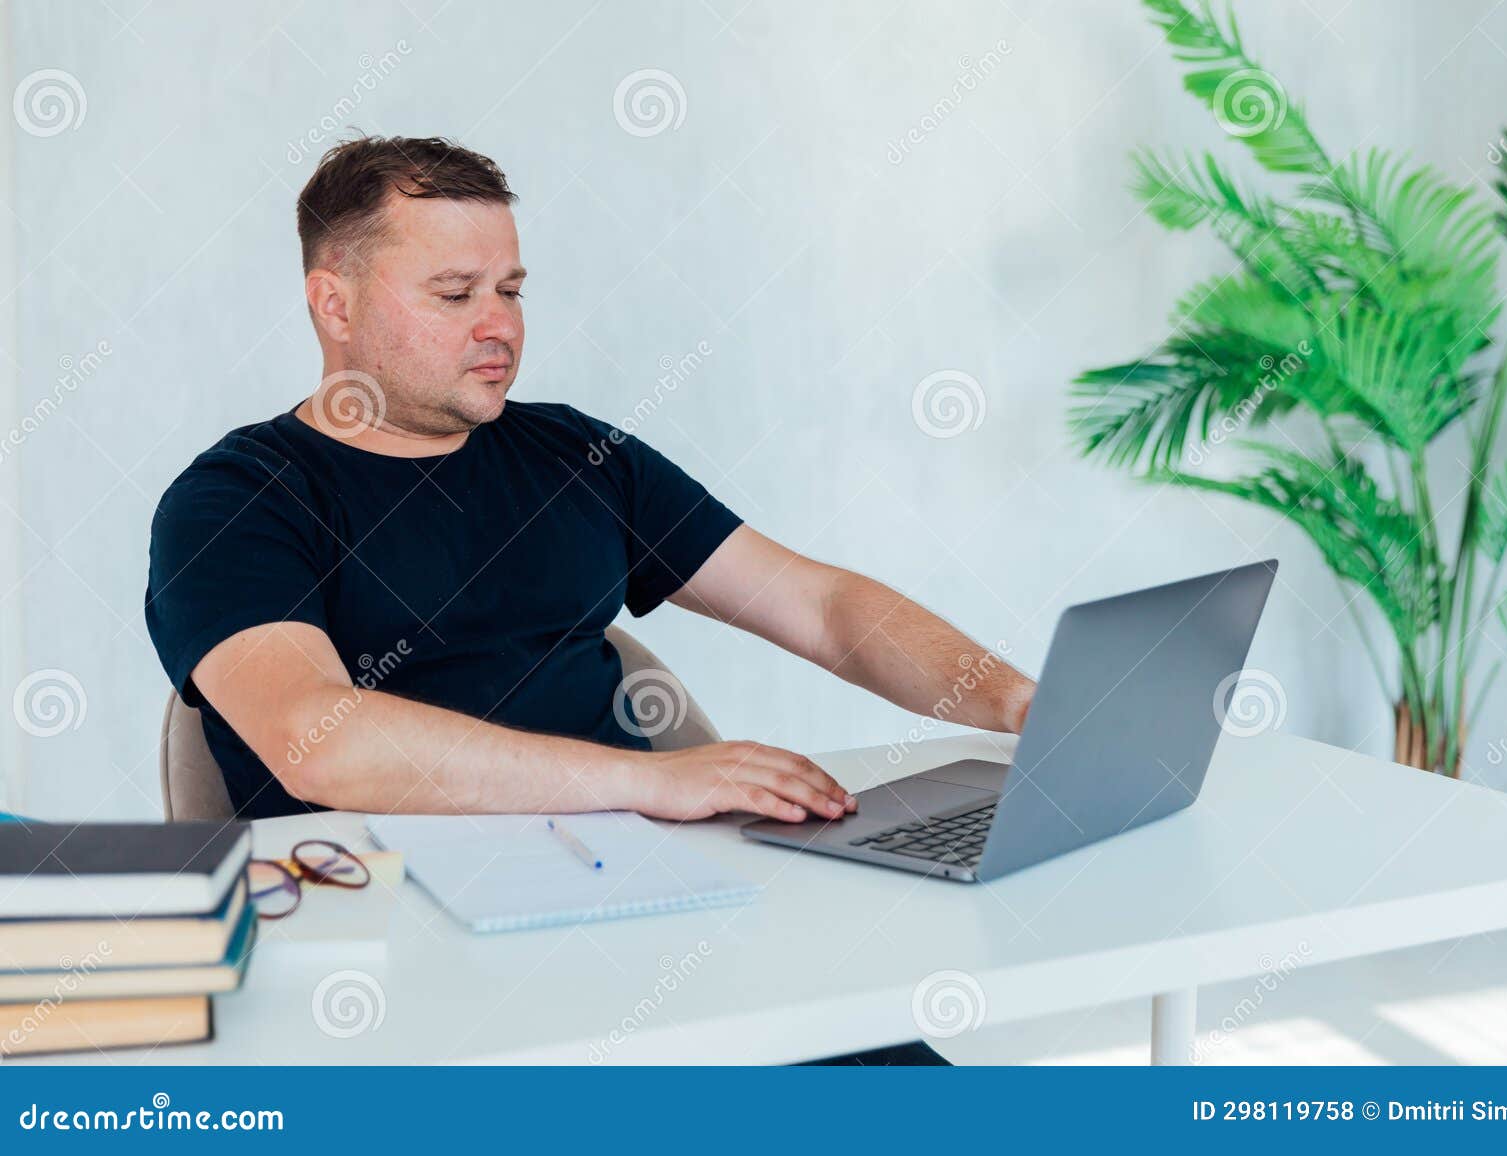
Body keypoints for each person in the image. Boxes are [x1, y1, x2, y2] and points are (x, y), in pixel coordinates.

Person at [145, 136, 1035, 1063]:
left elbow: (818, 605)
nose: (501, 326)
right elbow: (323, 744)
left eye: (512, 290)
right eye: (455, 294)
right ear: (334, 302)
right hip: (390, 977)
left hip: (637, 913)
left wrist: (1018, 702)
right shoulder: (236, 500)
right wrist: (652, 782)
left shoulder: (578, 457)